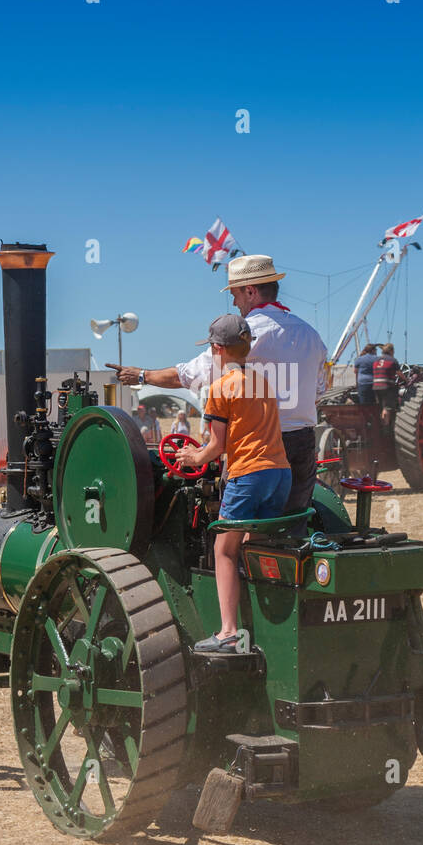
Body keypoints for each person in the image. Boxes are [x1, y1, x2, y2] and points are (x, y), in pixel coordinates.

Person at [108, 253, 327, 515]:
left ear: (250, 291)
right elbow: (318, 393)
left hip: (254, 450)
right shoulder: (311, 336)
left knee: (236, 531)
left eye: (235, 294)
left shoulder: (245, 333)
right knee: (294, 527)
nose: (234, 302)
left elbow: (186, 375)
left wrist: (142, 375)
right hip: (303, 444)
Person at [174, 315, 290, 654]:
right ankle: (266, 627)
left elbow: (217, 447)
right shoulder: (263, 382)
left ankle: (227, 632)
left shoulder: (221, 387)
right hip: (279, 473)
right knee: (257, 547)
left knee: (224, 550)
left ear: (216, 349)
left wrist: (192, 459)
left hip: (248, 475)